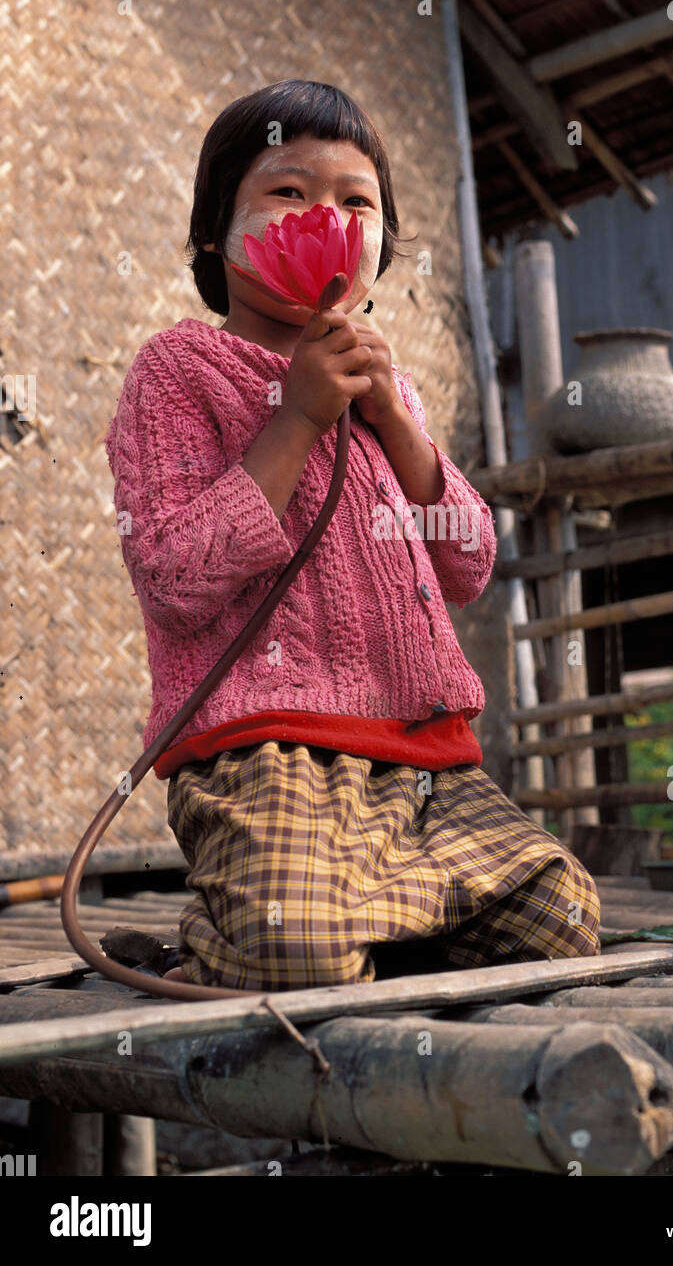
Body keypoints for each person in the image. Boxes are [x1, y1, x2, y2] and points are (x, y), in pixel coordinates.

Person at [105, 78, 600, 991]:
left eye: (355, 202)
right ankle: (237, 937)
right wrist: (294, 418)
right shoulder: (178, 371)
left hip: (422, 764)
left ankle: (359, 936)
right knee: (296, 948)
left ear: (380, 246)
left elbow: (467, 563)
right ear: (216, 233)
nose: (325, 217)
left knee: (561, 920)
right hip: (267, 752)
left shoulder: (390, 388)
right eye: (288, 192)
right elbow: (175, 578)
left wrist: (397, 426)